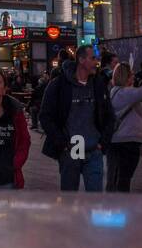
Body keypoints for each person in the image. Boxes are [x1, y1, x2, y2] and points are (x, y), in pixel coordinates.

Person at [39, 43, 113, 192]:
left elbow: (109, 115)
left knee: (95, 200)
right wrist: (62, 143)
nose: (96, 62)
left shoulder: (98, 84)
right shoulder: (59, 84)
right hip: (71, 150)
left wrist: (102, 142)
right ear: (81, 60)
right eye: (93, 58)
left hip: (94, 151)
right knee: (69, 200)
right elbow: (45, 116)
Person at [107, 63, 142, 191]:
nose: (133, 77)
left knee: (116, 176)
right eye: (131, 75)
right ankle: (120, 205)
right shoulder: (124, 93)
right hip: (126, 141)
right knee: (123, 178)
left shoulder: (115, 92)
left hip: (118, 140)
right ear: (126, 77)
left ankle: (113, 204)